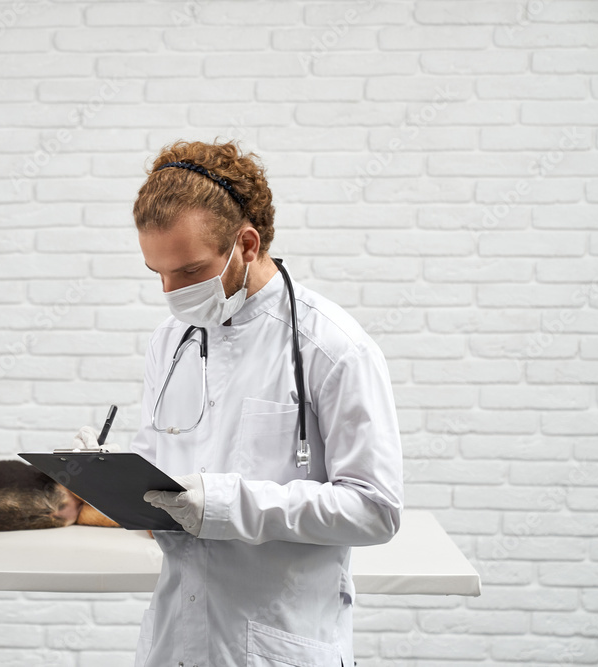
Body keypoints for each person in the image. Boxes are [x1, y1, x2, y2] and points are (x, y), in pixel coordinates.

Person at [106, 139, 404, 666]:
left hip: (274, 645)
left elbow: (375, 511)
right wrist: (108, 480)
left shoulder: (331, 348)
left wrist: (224, 505)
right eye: (159, 274)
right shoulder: (169, 342)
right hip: (176, 641)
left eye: (191, 272)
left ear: (246, 244)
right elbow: (160, 466)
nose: (171, 292)